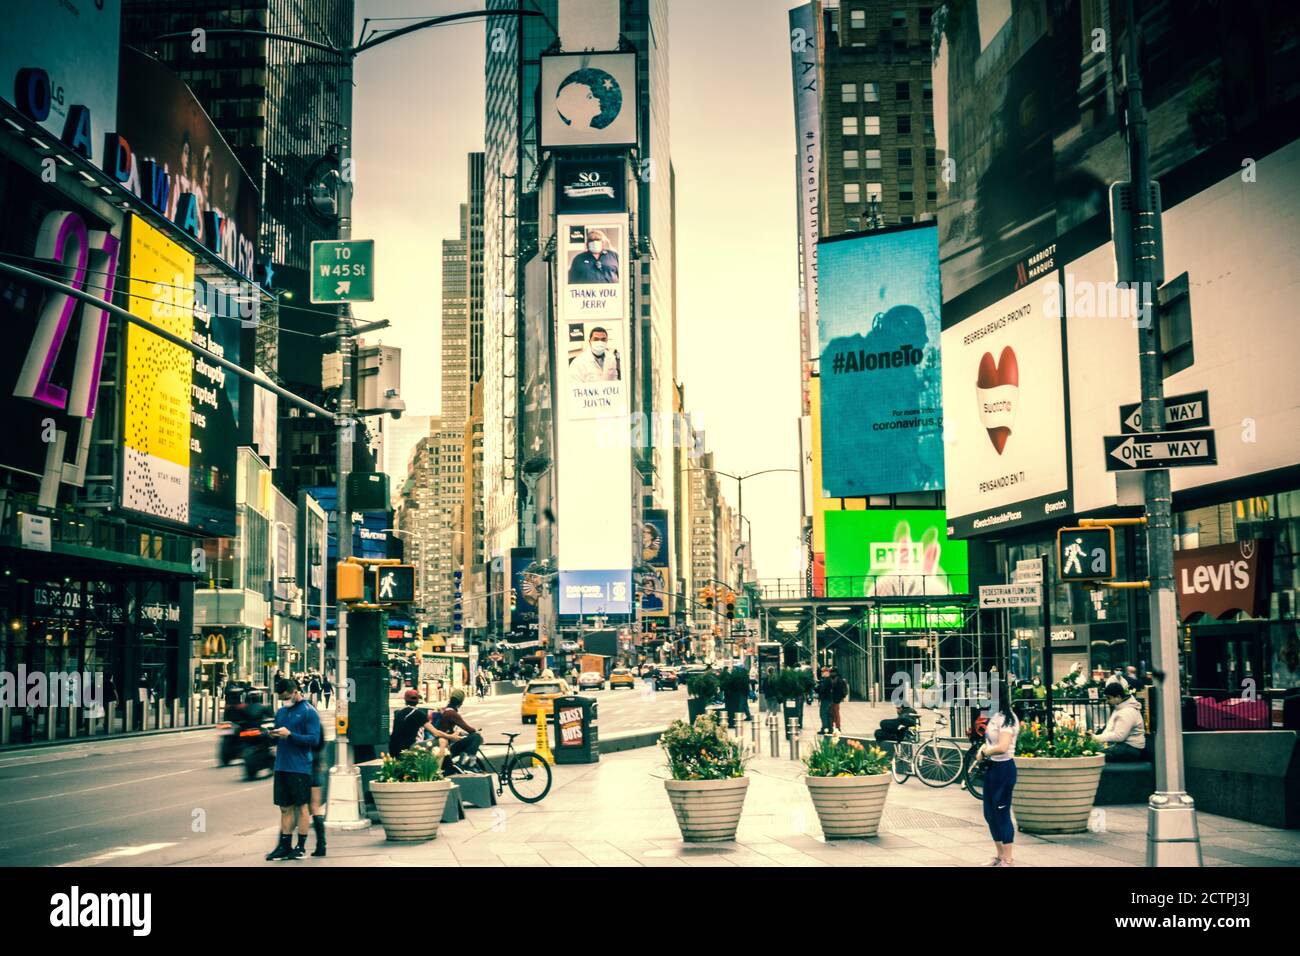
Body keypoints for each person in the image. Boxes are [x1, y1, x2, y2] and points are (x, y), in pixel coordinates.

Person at [265, 678, 321, 861]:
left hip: (300, 767)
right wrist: (273, 735)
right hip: (281, 765)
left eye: (287, 696)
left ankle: (301, 846)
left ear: (296, 691)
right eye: (282, 698)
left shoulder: (309, 712)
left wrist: (290, 735)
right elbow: (279, 736)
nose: (285, 700)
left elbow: (313, 739)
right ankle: (285, 845)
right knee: (284, 807)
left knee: (302, 807)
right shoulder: (281, 712)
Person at [976, 676, 1020, 866]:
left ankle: (1008, 858)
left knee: (1001, 812)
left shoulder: (1007, 719)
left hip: (1004, 768)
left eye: (988, 693)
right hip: (993, 768)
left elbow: (1002, 746)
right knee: (989, 813)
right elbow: (991, 741)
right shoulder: (994, 716)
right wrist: (983, 749)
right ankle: (1000, 854)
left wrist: (986, 751)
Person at [388, 689, 454, 758]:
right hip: (408, 749)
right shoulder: (419, 714)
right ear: (418, 700)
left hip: (393, 750)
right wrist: (452, 737)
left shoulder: (399, 712)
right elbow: (435, 733)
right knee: (442, 740)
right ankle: (439, 766)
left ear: (405, 699)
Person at [1091, 681, 1147, 762]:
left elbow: (1119, 736)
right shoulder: (1121, 707)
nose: (1107, 701)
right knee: (1095, 752)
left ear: (1118, 697)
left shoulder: (1127, 712)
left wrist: (1097, 738)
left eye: (1109, 698)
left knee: (1096, 755)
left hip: (1131, 749)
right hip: (1127, 747)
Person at [435, 689, 484, 775]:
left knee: (468, 739)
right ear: (460, 703)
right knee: (476, 736)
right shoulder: (451, 713)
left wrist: (460, 733)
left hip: (442, 744)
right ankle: (468, 763)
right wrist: (477, 731)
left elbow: (446, 729)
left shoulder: (446, 710)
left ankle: (463, 762)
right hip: (447, 747)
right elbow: (469, 729)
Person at [815, 666, 834, 735]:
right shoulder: (828, 679)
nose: (822, 673)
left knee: (823, 714)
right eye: (821, 672)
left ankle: (825, 728)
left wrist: (817, 689)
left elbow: (823, 690)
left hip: (825, 699)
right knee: (828, 714)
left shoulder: (826, 680)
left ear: (827, 672)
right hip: (828, 699)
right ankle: (829, 729)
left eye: (823, 672)